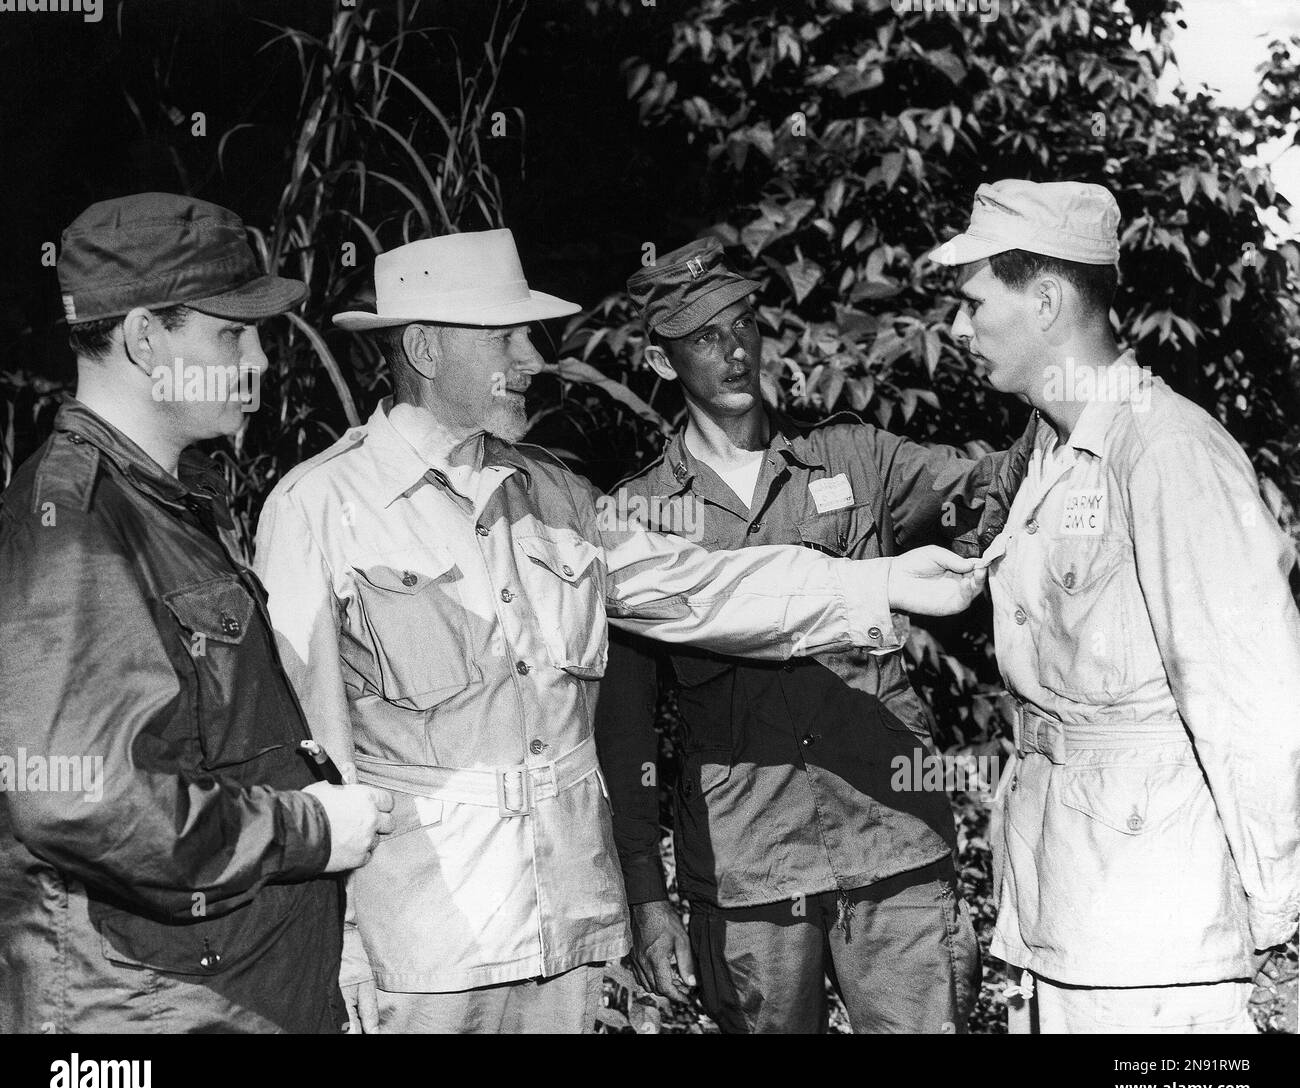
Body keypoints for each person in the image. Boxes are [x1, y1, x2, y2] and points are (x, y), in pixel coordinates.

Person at [254, 227, 990, 1034]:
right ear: (425, 347)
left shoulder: (556, 496)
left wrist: (875, 580)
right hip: (424, 951)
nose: (534, 358)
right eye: (506, 336)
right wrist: (341, 947)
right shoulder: (319, 509)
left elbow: (701, 585)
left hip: (562, 937)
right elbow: (307, 759)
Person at [594, 237, 1031, 1033]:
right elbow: (626, 737)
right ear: (661, 364)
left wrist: (1065, 398)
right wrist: (645, 896)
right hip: (750, 868)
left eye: (741, 325)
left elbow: (986, 490)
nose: (732, 351)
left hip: (894, 838)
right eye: (701, 337)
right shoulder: (642, 520)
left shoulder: (854, 457)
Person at [0, 192, 392, 1034]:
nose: (258, 359)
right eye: (230, 333)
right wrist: (308, 830)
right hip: (145, 1014)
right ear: (145, 339)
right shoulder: (75, 523)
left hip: (227, 992)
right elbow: (79, 797)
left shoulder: (167, 504)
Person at [936, 178, 1300, 1033]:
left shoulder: (1167, 450)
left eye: (973, 301)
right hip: (1073, 908)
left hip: (1161, 939)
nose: (958, 328)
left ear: (1049, 298)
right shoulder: (1054, 454)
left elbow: (1256, 703)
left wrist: (1280, 913)